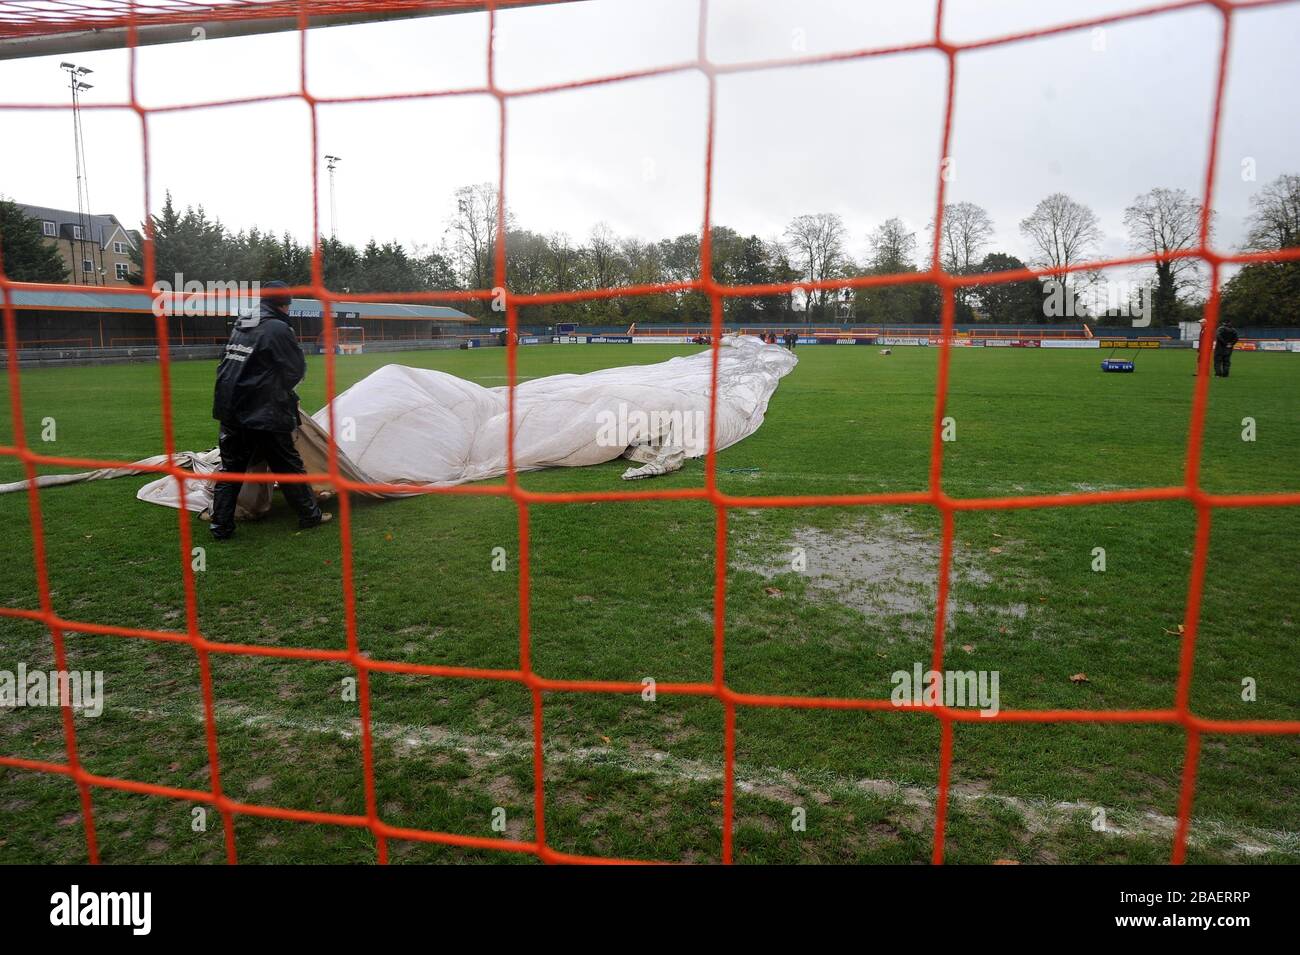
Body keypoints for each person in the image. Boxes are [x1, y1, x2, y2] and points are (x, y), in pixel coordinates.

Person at [209, 280, 330, 540]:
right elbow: (295, 369)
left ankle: (220, 526)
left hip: (230, 407)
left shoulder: (244, 322)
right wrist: (282, 392)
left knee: (230, 470)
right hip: (263, 410)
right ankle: (310, 515)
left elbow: (227, 362)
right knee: (288, 466)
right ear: (285, 304)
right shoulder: (277, 327)